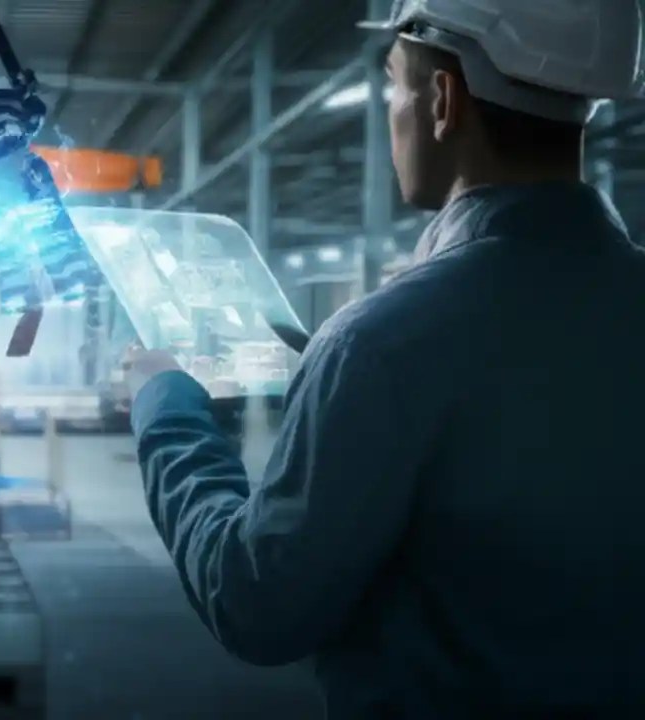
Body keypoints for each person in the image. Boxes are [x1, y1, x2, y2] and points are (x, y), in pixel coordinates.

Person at [123, 1, 645, 717]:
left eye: (394, 84)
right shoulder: (385, 349)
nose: (391, 111)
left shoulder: (381, 345)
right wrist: (332, 382)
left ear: (442, 101)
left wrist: (165, 407)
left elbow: (257, 602)